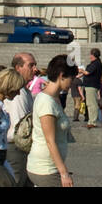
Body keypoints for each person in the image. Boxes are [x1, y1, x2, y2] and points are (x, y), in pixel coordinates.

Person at [26, 54, 77, 188]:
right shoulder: (46, 102)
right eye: (71, 78)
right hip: (45, 167)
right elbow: (50, 141)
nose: (72, 82)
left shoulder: (55, 98)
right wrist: (64, 173)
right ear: (62, 76)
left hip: (49, 166)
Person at [3, 51, 37, 187]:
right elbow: (21, 128)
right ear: (18, 68)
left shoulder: (24, 90)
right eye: (31, 65)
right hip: (17, 149)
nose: (35, 69)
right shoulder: (19, 93)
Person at [80, 47, 102, 127]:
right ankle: (91, 121)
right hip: (90, 85)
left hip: (91, 85)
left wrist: (81, 70)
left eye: (90, 54)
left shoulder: (95, 63)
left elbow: (88, 72)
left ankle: (92, 121)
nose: (90, 56)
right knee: (89, 104)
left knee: (92, 104)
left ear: (93, 55)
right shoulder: (96, 63)